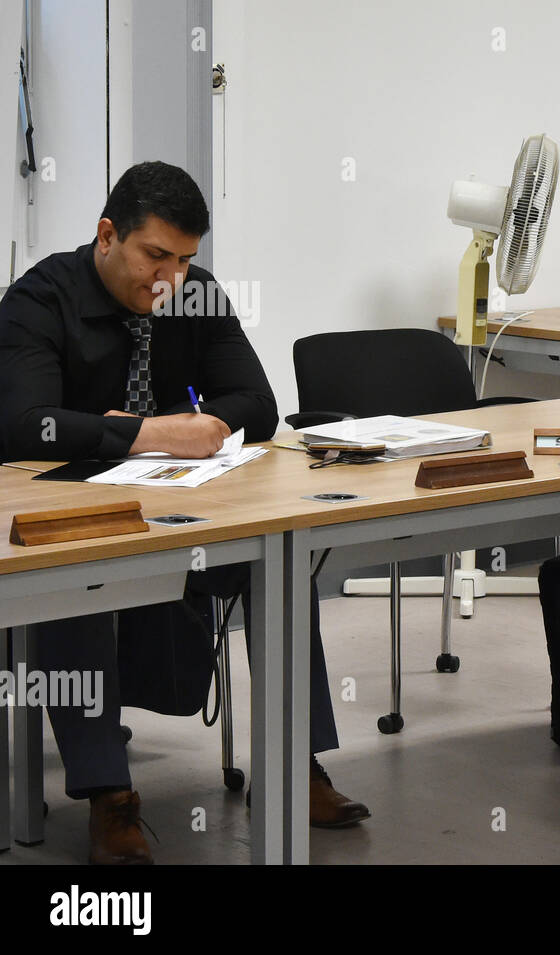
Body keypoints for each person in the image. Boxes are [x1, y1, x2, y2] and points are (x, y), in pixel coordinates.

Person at [0, 161, 371, 864]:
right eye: (155, 257)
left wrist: (176, 429)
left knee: (280, 556)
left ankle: (294, 764)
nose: (169, 280)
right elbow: (25, 425)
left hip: (183, 513)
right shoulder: (38, 299)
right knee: (77, 574)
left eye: (185, 260)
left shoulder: (191, 295)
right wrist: (152, 432)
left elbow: (257, 405)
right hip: (73, 515)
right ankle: (109, 795)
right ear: (107, 235)